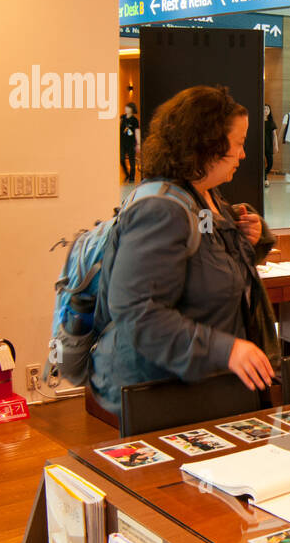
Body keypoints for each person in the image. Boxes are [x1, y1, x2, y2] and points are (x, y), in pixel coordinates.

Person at [90, 86, 278, 418]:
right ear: (208, 147)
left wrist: (254, 237)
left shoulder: (207, 196)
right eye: (238, 143)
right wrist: (226, 349)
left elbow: (213, 270)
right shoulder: (160, 210)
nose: (244, 154)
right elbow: (138, 312)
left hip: (213, 389)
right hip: (171, 396)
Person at [119, 102, 140, 182]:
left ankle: (131, 178)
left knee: (132, 161)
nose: (125, 109)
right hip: (122, 142)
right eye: (125, 107)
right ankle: (127, 174)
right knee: (121, 159)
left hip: (131, 143)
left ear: (132, 109)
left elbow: (137, 131)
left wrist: (138, 143)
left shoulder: (135, 120)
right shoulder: (122, 117)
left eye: (127, 108)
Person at [262, 103, 277, 187]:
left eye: (267, 109)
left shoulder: (271, 122)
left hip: (269, 145)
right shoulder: (259, 121)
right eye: (264, 109)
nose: (266, 110)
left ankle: (263, 175)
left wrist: (276, 145)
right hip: (261, 145)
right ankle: (265, 179)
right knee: (262, 162)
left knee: (270, 163)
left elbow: (274, 135)